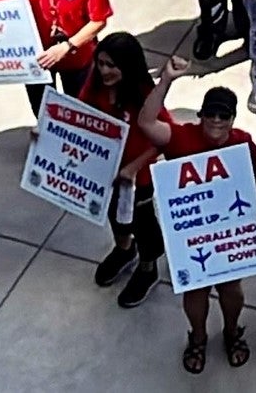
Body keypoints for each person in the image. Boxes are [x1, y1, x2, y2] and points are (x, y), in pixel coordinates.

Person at [137, 65, 256, 373]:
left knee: (230, 288)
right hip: (191, 237)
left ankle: (232, 331)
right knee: (195, 290)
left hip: (229, 234)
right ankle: (198, 337)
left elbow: (255, 179)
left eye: (224, 115)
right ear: (201, 115)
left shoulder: (244, 143)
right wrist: (167, 79)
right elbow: (146, 122)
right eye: (211, 114)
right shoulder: (181, 137)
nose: (217, 120)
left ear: (233, 118)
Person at [80, 32, 170, 308]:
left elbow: (166, 137)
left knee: (143, 225)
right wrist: (48, 133)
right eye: (101, 63)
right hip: (104, 173)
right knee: (114, 215)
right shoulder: (95, 84)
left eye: (112, 65)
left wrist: (134, 167)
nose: (104, 71)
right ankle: (124, 251)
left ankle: (148, 268)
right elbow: (78, 114)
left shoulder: (145, 94)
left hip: (137, 180)